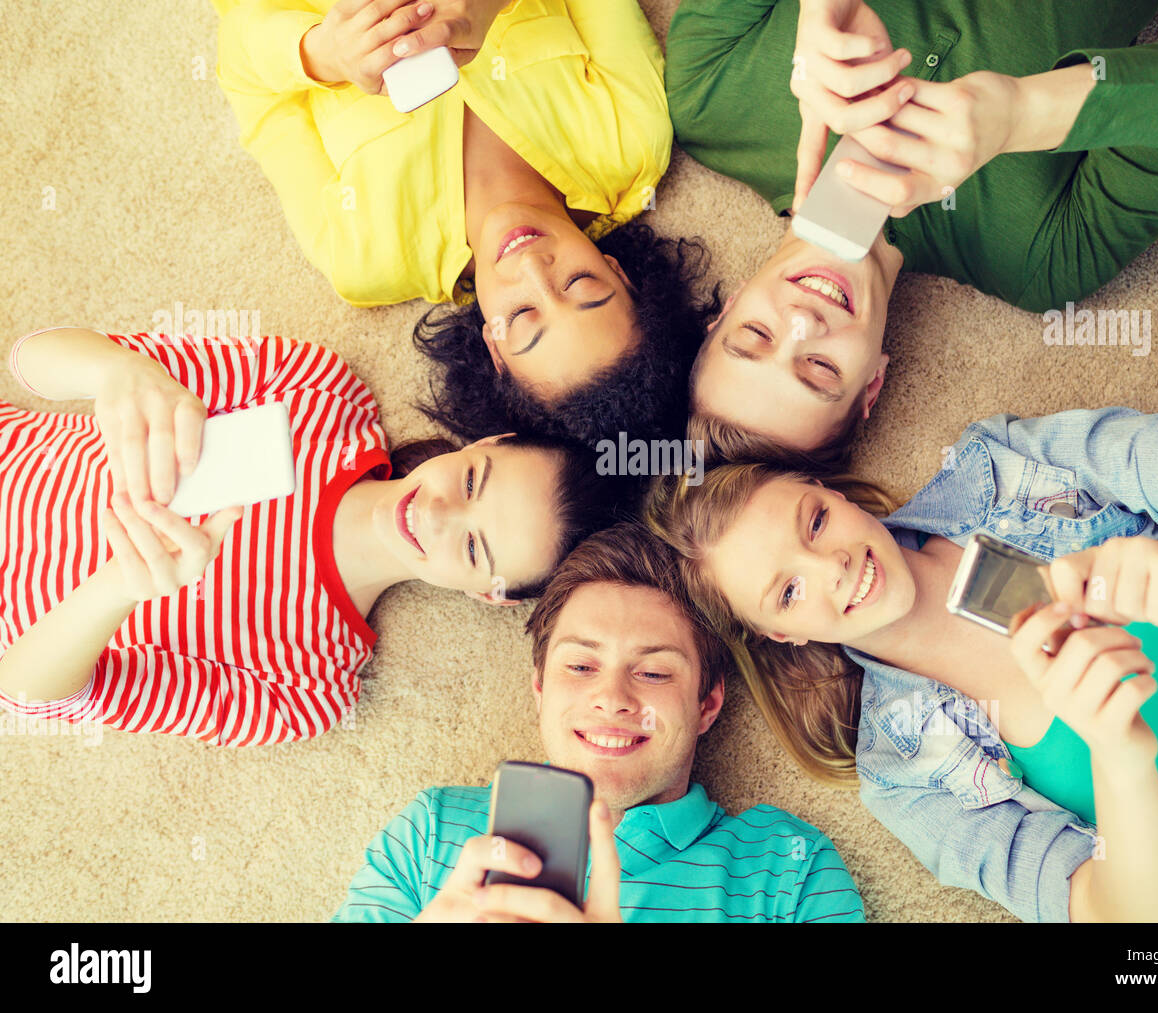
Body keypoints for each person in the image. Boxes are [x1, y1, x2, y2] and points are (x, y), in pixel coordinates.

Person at [645, 406, 1158, 920]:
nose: (832, 565)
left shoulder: (994, 466)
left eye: (813, 523)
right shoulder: (904, 775)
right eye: (788, 591)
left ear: (828, 492)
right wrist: (1119, 757)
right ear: (776, 634)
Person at [666, 0, 1158, 467]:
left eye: (755, 336)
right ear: (872, 385)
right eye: (819, 370)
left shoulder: (706, 98)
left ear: (725, 308)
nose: (802, 325)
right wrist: (1028, 113)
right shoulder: (1038, 261)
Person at [0, 327, 633, 745]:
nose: (435, 514)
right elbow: (28, 358)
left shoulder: (310, 688)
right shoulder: (319, 391)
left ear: (489, 594)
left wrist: (113, 591)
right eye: (471, 482)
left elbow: (24, 693)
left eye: (474, 548)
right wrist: (118, 369)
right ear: (484, 443)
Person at [216, 0, 717, 448]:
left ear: (493, 349)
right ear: (618, 271)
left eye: (522, 317)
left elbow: (242, 66)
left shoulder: (365, 258)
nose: (532, 269)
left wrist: (321, 54)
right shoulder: (631, 138)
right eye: (579, 282)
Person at [332, 522, 865, 922]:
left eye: (654, 672)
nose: (611, 699)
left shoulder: (787, 869)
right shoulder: (429, 834)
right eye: (582, 666)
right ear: (539, 688)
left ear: (708, 704)